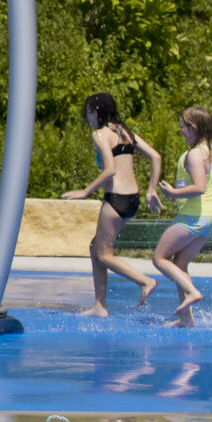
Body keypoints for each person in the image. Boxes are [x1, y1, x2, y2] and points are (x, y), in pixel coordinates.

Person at [62, 92, 162, 317]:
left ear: (95, 113)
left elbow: (110, 170)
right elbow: (156, 157)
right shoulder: (125, 133)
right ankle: (100, 305)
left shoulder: (99, 134)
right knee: (95, 247)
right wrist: (151, 190)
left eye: (87, 113)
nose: (87, 118)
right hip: (132, 199)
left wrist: (85, 191)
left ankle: (144, 281)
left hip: (116, 199)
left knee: (104, 254)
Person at [152, 107, 212, 327]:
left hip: (193, 218)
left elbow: (200, 187)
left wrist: (173, 193)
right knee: (180, 265)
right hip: (209, 218)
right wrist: (183, 194)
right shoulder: (208, 151)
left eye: (182, 126)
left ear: (193, 128)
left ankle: (191, 292)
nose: (180, 131)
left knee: (160, 258)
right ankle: (186, 319)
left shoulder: (193, 154)